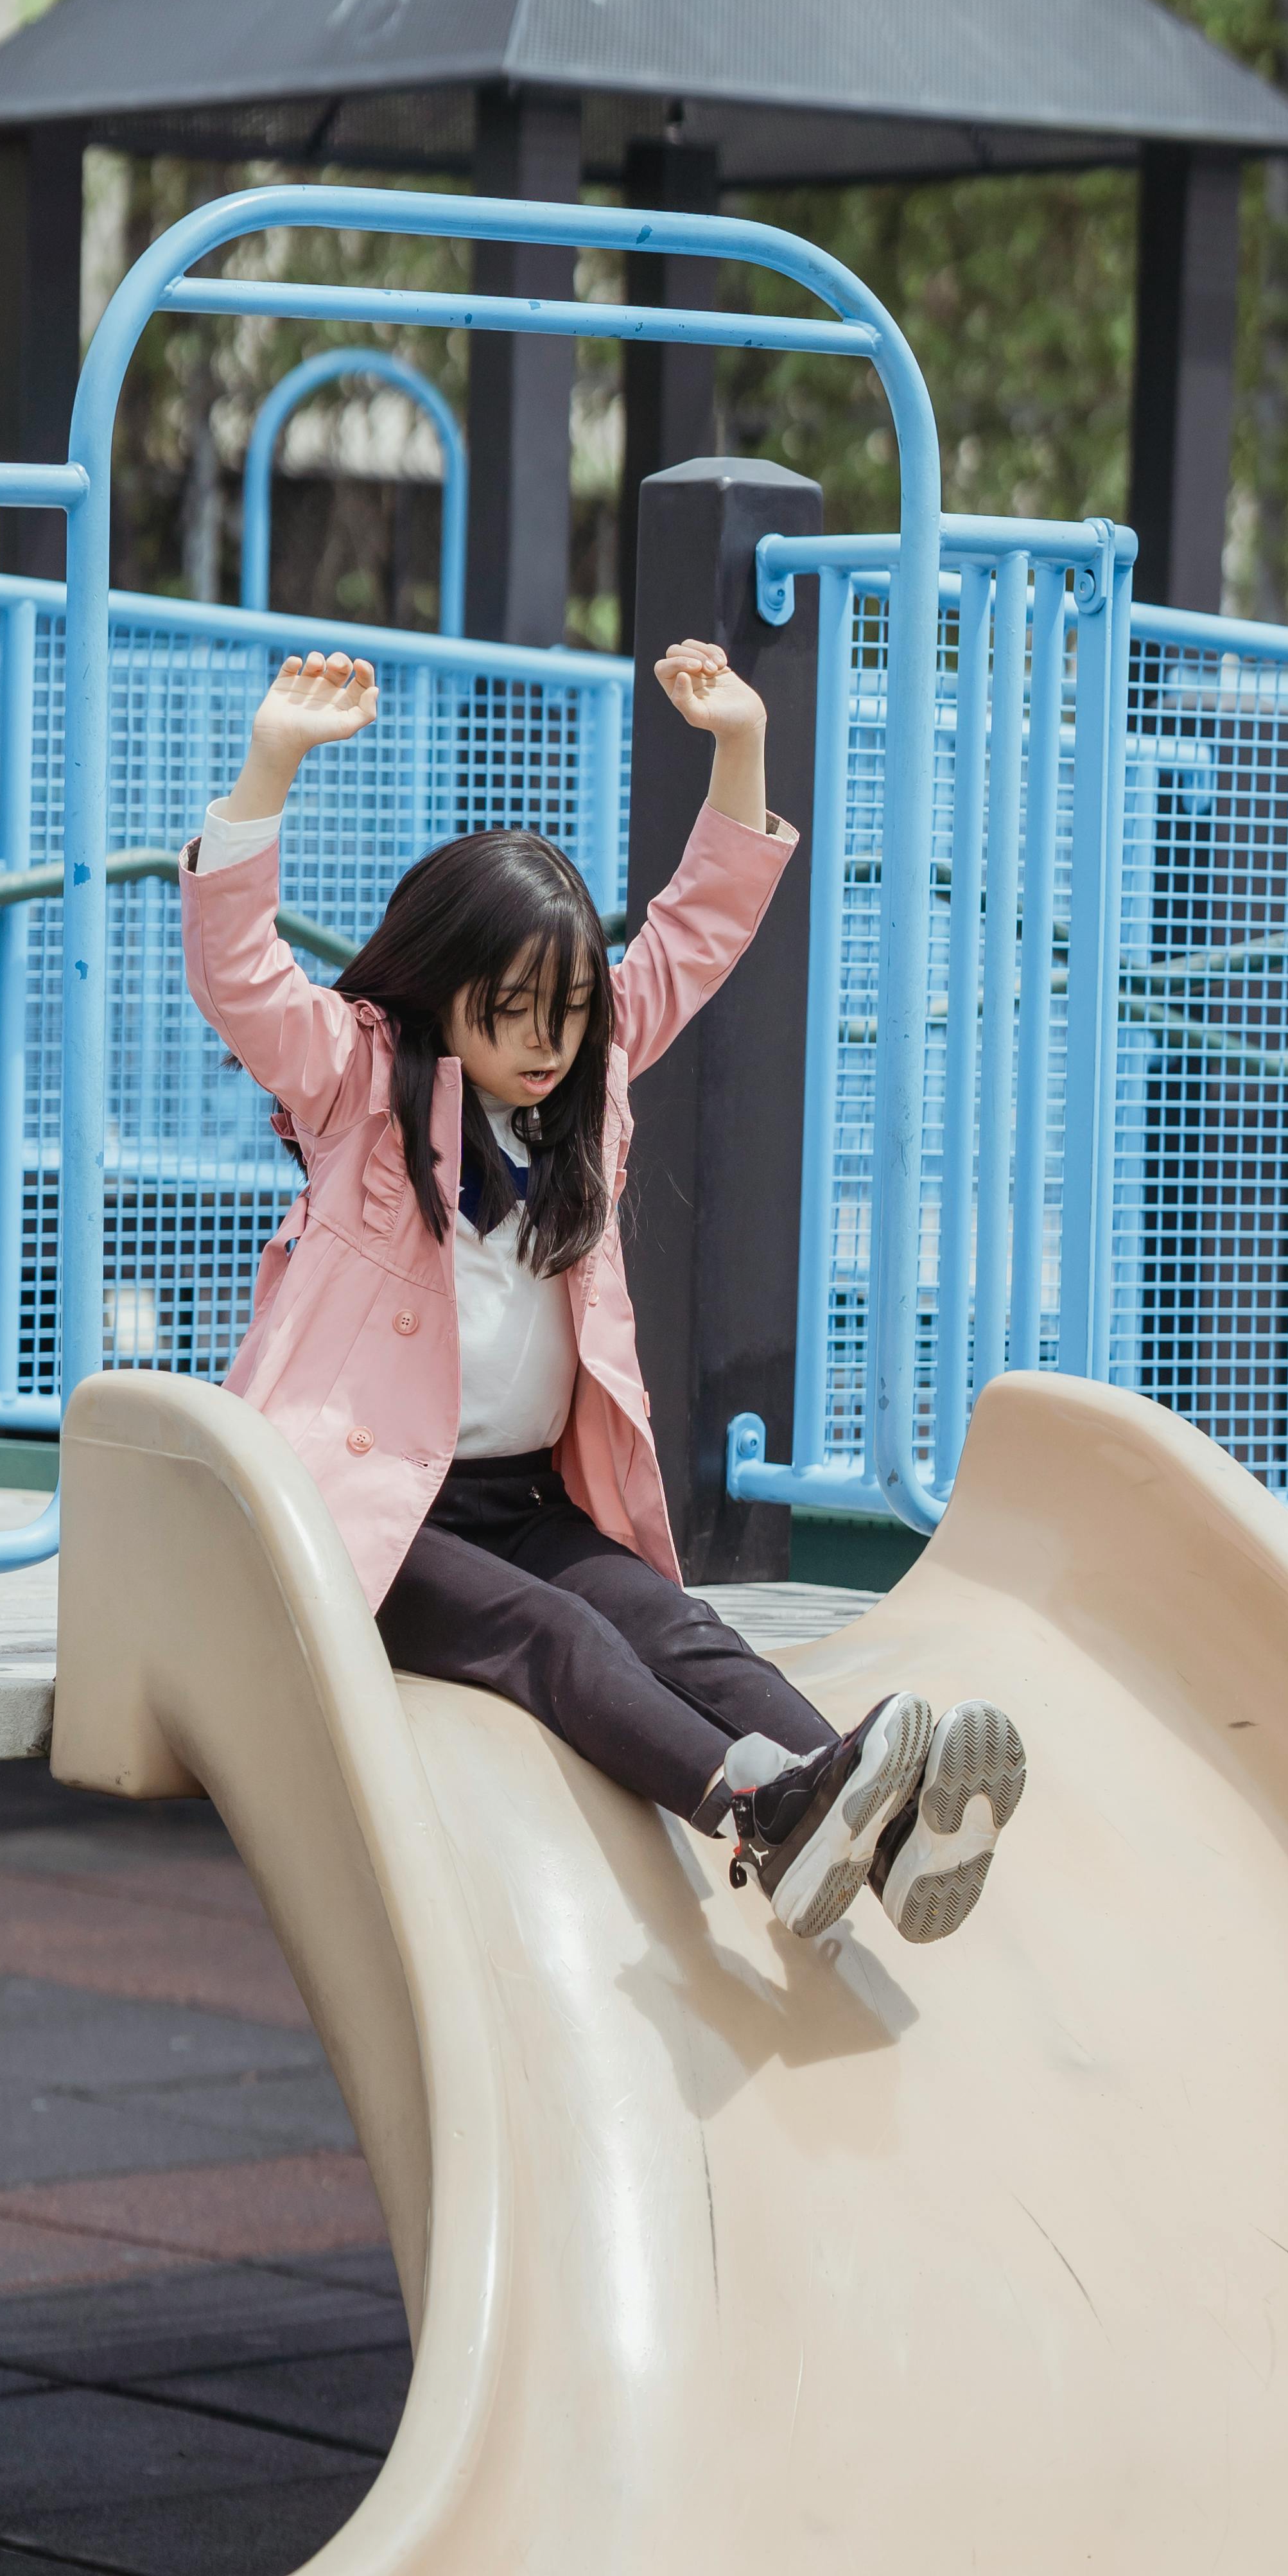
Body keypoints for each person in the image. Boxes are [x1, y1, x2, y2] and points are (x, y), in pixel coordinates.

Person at [178, 641, 1025, 1943]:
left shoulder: (586, 1099)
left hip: (522, 1503)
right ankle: (763, 1819)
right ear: (437, 991)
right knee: (561, 1645)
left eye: (568, 1011)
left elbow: (692, 933)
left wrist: (738, 746)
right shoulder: (357, 1084)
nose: (545, 1040)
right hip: (378, 1526)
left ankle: (894, 1829)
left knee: (670, 1628)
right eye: (510, 1009)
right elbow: (239, 974)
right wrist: (270, 768)